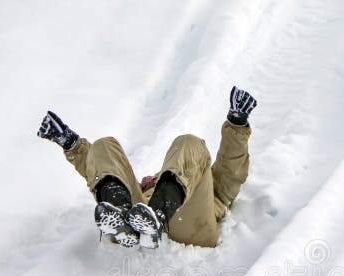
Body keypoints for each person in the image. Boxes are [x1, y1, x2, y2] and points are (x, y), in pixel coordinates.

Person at [36, 87, 257, 249]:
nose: (145, 179)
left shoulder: (205, 186)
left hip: (192, 226)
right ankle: (121, 216)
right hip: (143, 221)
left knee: (190, 143)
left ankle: (158, 215)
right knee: (105, 145)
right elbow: (97, 166)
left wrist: (237, 124)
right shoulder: (143, 200)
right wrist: (69, 142)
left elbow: (230, 172)